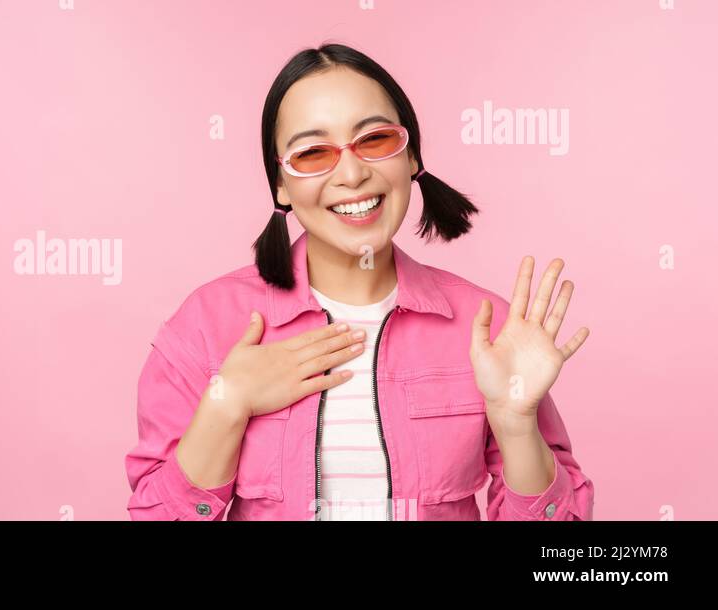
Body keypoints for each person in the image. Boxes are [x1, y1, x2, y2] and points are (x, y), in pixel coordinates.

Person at [124, 43, 594, 521]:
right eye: (312, 153)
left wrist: (516, 425)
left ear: (411, 156)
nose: (351, 174)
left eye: (375, 140)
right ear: (281, 185)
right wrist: (227, 405)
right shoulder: (206, 325)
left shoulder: (486, 329)